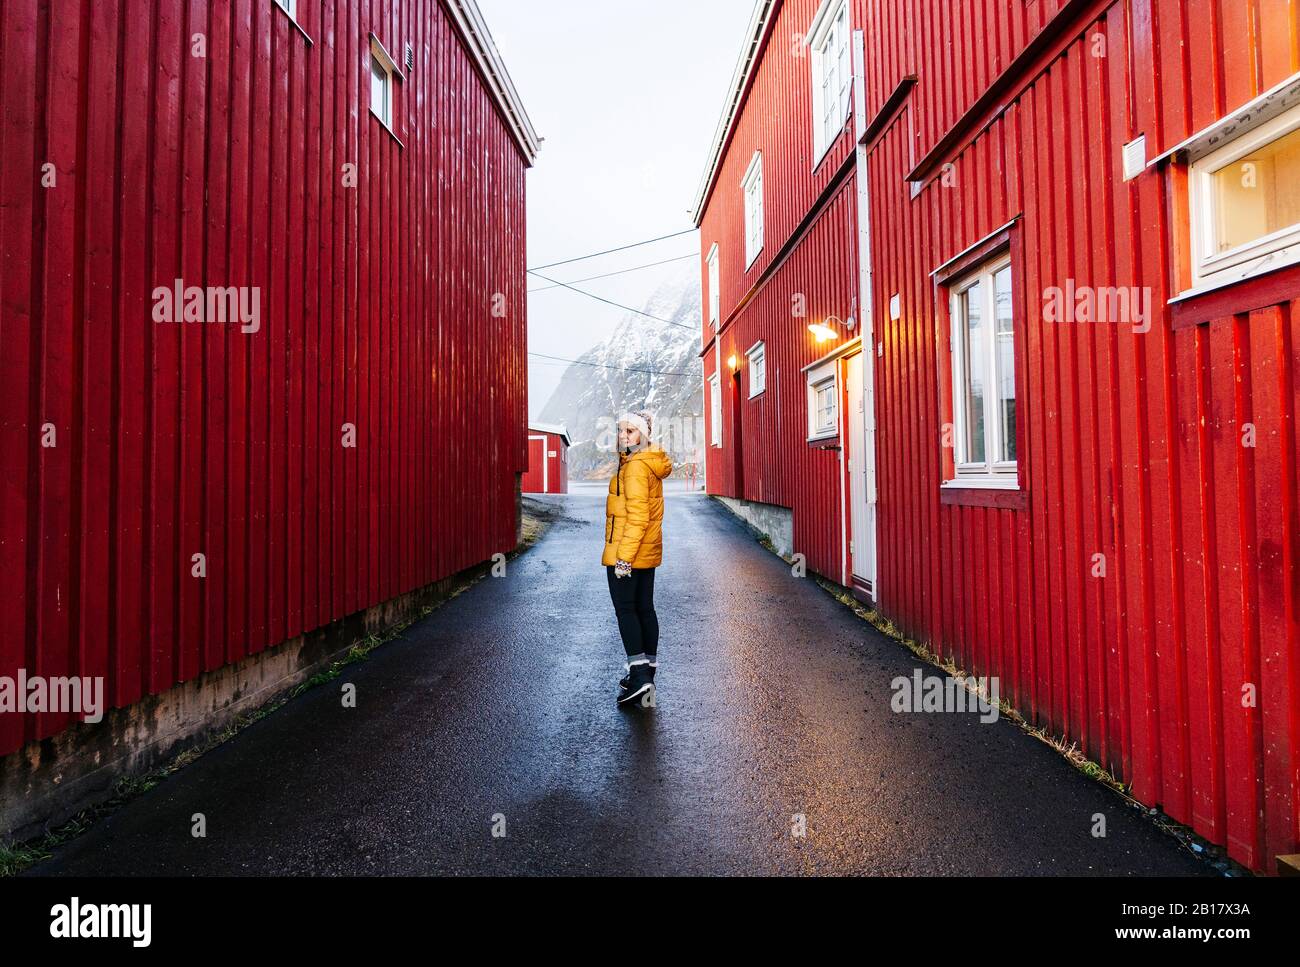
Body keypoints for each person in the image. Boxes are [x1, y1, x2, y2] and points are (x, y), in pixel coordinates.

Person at [603, 411, 673, 708]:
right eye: (621, 430)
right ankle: (646, 674)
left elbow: (637, 516)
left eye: (630, 431)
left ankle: (639, 674)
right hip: (647, 550)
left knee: (627, 610)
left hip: (629, 550)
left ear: (643, 435)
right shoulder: (648, 462)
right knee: (644, 608)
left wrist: (623, 558)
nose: (623, 436)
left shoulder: (635, 467)